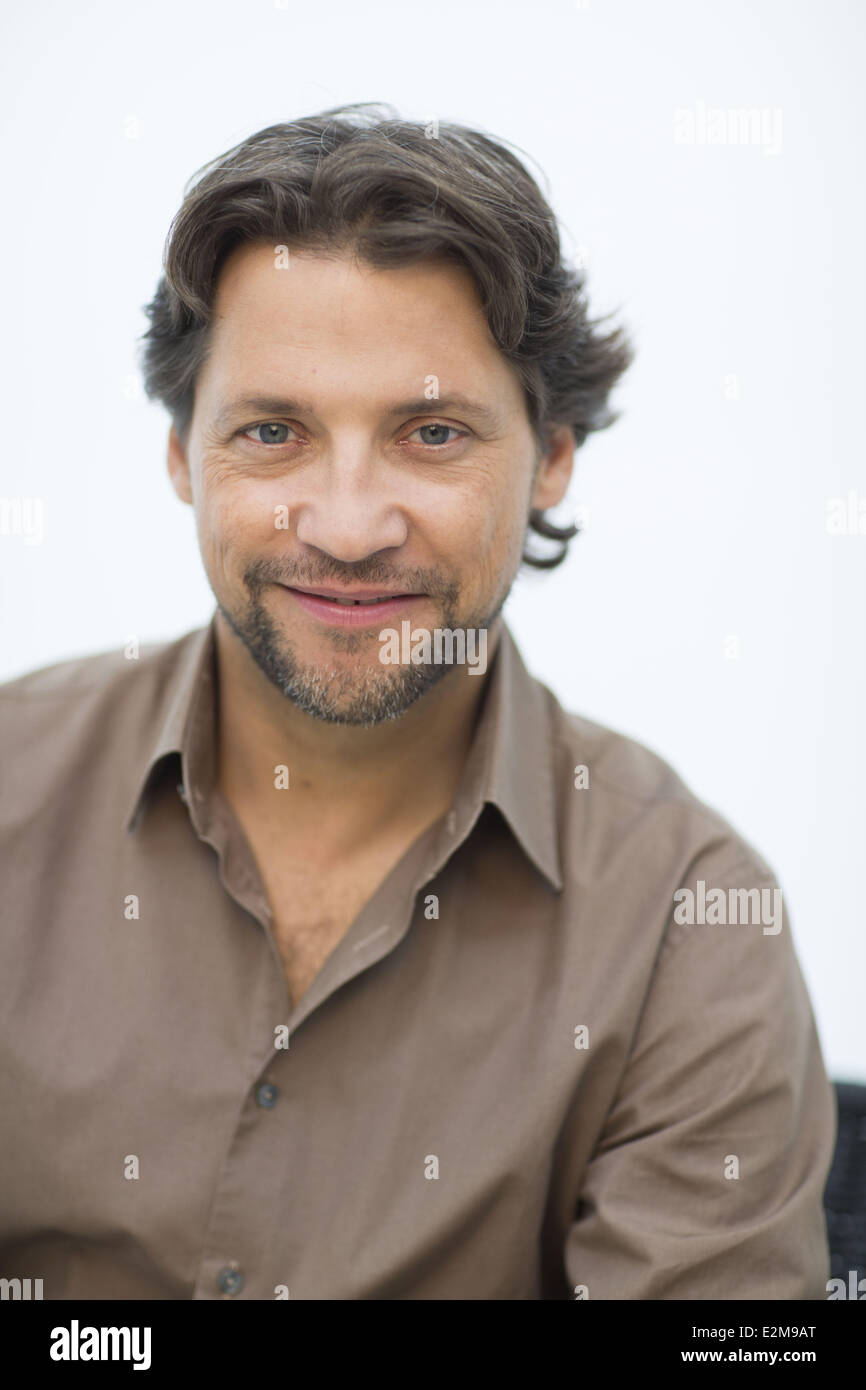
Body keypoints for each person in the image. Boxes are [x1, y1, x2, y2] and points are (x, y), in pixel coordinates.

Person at [0, 104, 834, 1300]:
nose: (346, 526)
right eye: (273, 431)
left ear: (550, 454)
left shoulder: (690, 928)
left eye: (431, 432)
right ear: (183, 453)